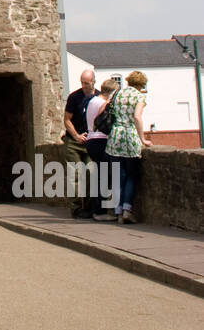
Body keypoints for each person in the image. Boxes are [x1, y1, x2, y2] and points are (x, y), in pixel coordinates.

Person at [105, 71, 151, 223]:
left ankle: (117, 211)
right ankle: (126, 210)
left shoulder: (117, 94)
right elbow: (137, 117)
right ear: (141, 84)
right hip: (129, 137)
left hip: (115, 136)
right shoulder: (139, 97)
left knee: (119, 176)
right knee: (131, 175)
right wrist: (143, 138)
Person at [63, 68, 99, 216]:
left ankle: (89, 208)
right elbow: (67, 119)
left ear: (93, 82)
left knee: (91, 174)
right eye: (82, 83)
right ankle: (76, 208)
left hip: (91, 142)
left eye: (87, 83)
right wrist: (76, 135)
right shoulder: (74, 97)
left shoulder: (98, 97)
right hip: (73, 142)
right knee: (75, 175)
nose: (84, 85)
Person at [84, 80, 120, 219]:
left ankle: (96, 209)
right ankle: (99, 211)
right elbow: (101, 120)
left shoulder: (92, 101)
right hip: (101, 140)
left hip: (91, 140)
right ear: (112, 92)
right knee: (104, 176)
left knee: (99, 175)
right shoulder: (104, 104)